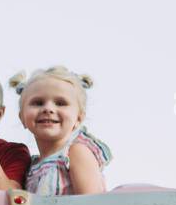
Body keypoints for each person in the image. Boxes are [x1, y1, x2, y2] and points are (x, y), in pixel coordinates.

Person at [10, 66, 111, 195]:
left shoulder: (76, 153)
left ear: (78, 119)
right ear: (22, 117)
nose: (48, 109)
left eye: (60, 103)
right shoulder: (31, 168)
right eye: (38, 103)